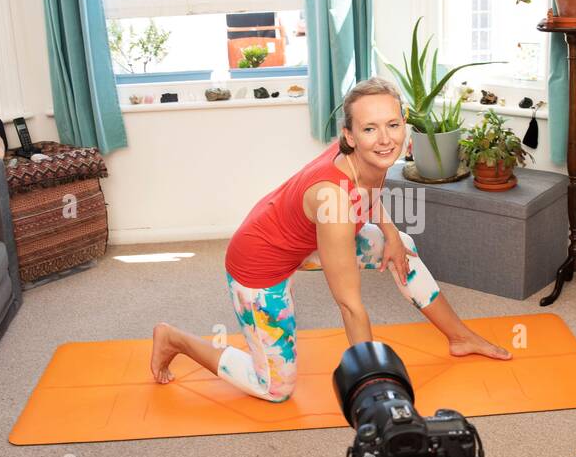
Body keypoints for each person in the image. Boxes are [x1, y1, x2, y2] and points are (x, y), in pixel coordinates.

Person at [150, 75, 512, 402]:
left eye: (393, 124)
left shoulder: (371, 156)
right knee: (275, 389)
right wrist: (374, 384)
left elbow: (367, 194)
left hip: (305, 236)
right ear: (350, 136)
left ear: (404, 125)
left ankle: (460, 336)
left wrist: (390, 233)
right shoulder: (333, 200)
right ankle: (175, 339)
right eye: (371, 129)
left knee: (403, 244)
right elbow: (350, 305)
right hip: (260, 262)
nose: (386, 138)